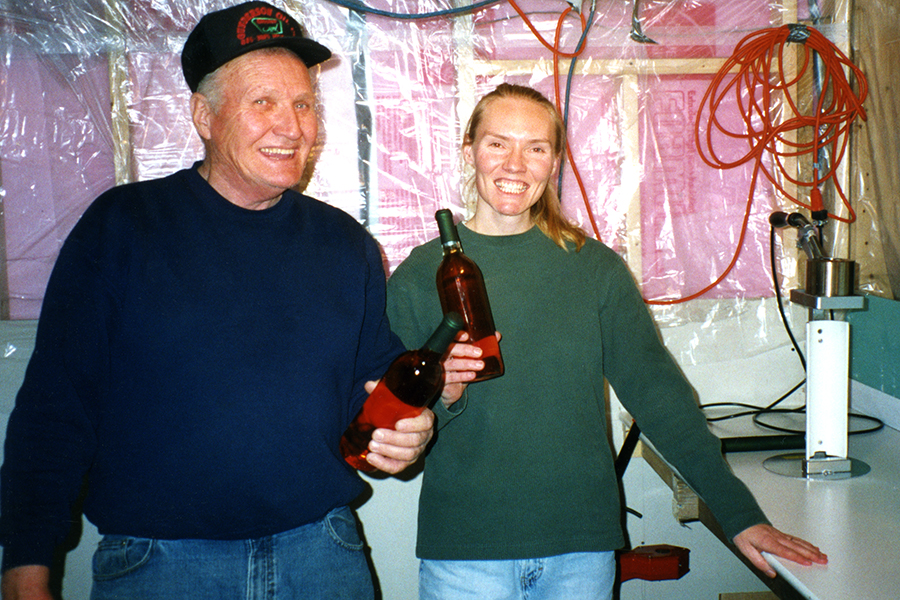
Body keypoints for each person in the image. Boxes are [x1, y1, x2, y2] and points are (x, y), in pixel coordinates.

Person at [0, 3, 437, 599]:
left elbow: (374, 383)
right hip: (160, 565)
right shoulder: (123, 228)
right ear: (204, 115)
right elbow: (55, 406)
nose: (291, 126)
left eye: (304, 104)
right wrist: (26, 567)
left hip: (323, 554)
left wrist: (410, 431)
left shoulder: (345, 244)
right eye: (264, 103)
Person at [385, 83, 829, 600]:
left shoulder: (593, 269)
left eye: (537, 148)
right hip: (465, 553)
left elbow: (658, 397)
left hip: (582, 551)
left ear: (555, 162)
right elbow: (391, 433)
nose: (516, 164)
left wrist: (739, 513)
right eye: (497, 143)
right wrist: (444, 398)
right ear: (470, 151)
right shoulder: (422, 275)